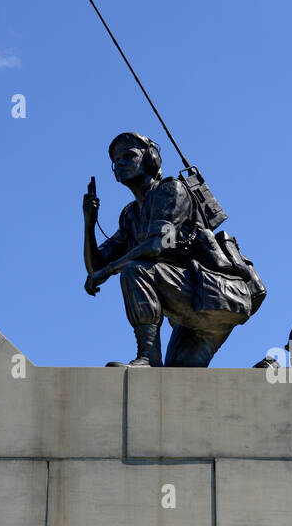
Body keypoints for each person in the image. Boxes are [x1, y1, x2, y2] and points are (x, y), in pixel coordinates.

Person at [82, 132, 235, 367]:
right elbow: (96, 267)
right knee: (177, 379)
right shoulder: (131, 215)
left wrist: (107, 272)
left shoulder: (171, 191)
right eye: (116, 160)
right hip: (193, 313)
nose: (120, 162)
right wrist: (89, 224)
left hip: (212, 292)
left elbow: (158, 245)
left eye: (128, 155)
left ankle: (148, 358)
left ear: (151, 158)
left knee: (136, 270)